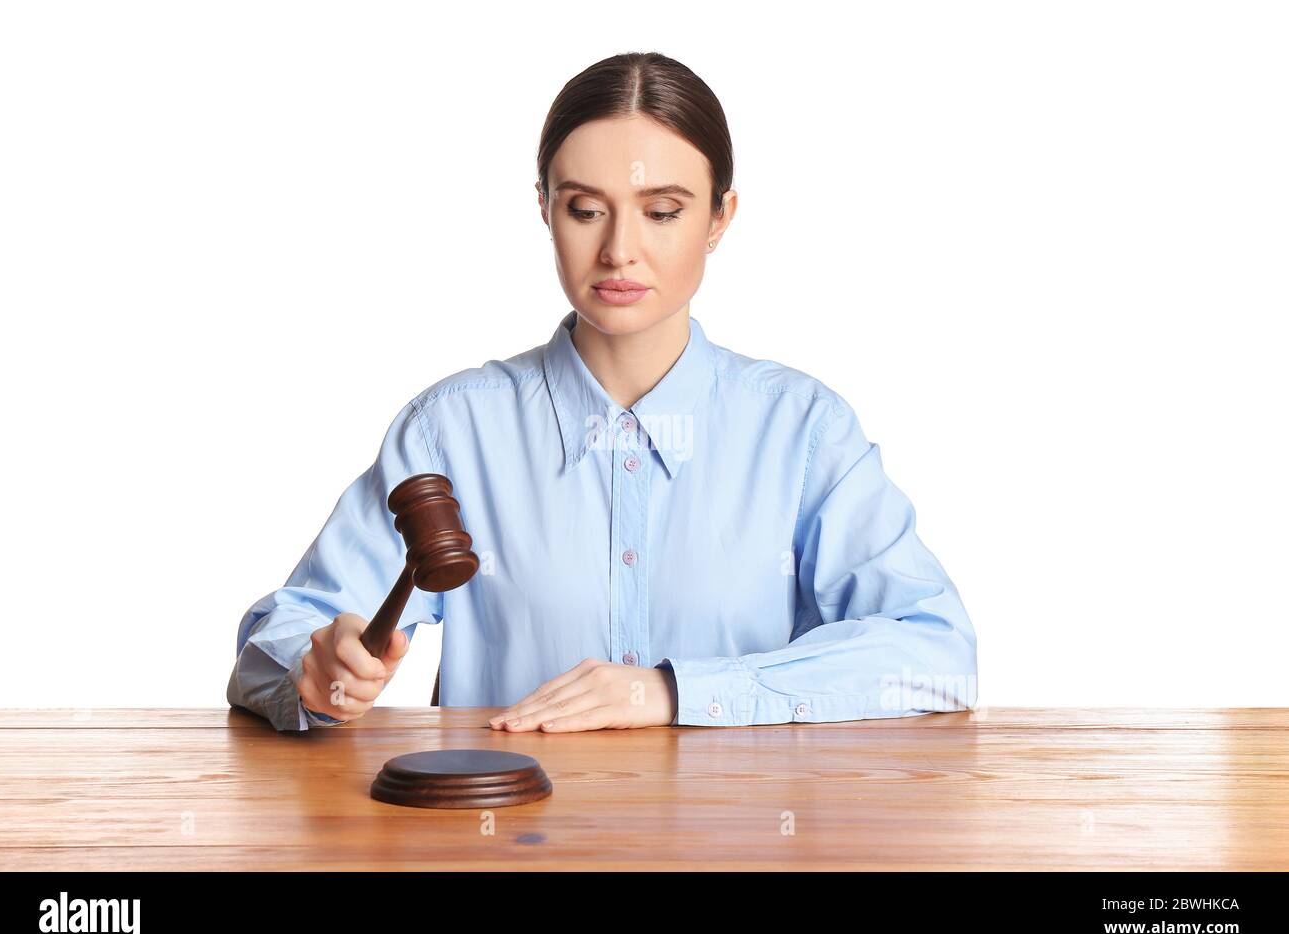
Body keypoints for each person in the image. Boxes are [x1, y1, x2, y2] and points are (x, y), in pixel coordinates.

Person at [227, 51, 978, 734]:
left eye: (662, 212)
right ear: (545, 208)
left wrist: (674, 691)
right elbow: (280, 637)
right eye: (585, 209)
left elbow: (936, 654)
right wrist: (311, 666)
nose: (619, 249)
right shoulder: (452, 432)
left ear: (721, 217)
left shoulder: (802, 430)